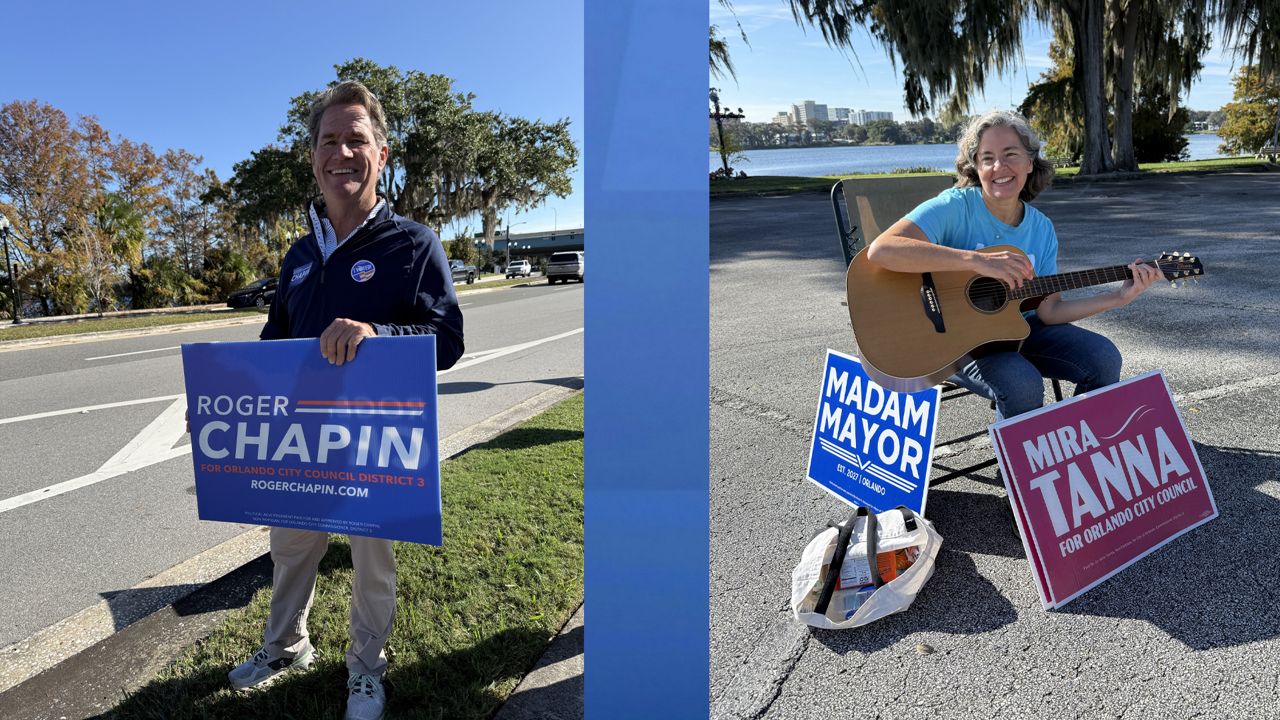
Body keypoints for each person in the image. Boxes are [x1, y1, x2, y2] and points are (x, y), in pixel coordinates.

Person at [226, 80, 464, 720]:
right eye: (329, 140)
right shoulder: (299, 255)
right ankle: (285, 648)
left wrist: (377, 335)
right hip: (300, 440)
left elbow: (448, 340)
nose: (342, 152)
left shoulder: (413, 243)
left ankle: (365, 671)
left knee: (371, 563)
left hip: (375, 441)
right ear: (313, 157)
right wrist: (237, 382)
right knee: (291, 548)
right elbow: (275, 338)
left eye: (356, 139)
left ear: (381, 153)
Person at [865, 110, 1162, 418]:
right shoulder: (955, 207)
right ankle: (1015, 466)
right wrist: (977, 261)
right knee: (1022, 382)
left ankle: (1080, 453)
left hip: (1018, 331)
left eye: (1010, 155)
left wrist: (1118, 297)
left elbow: (1049, 311)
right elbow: (883, 249)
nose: (999, 167)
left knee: (1103, 357)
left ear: (1030, 162)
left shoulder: (1041, 228)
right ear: (976, 167)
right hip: (955, 343)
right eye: (987, 158)